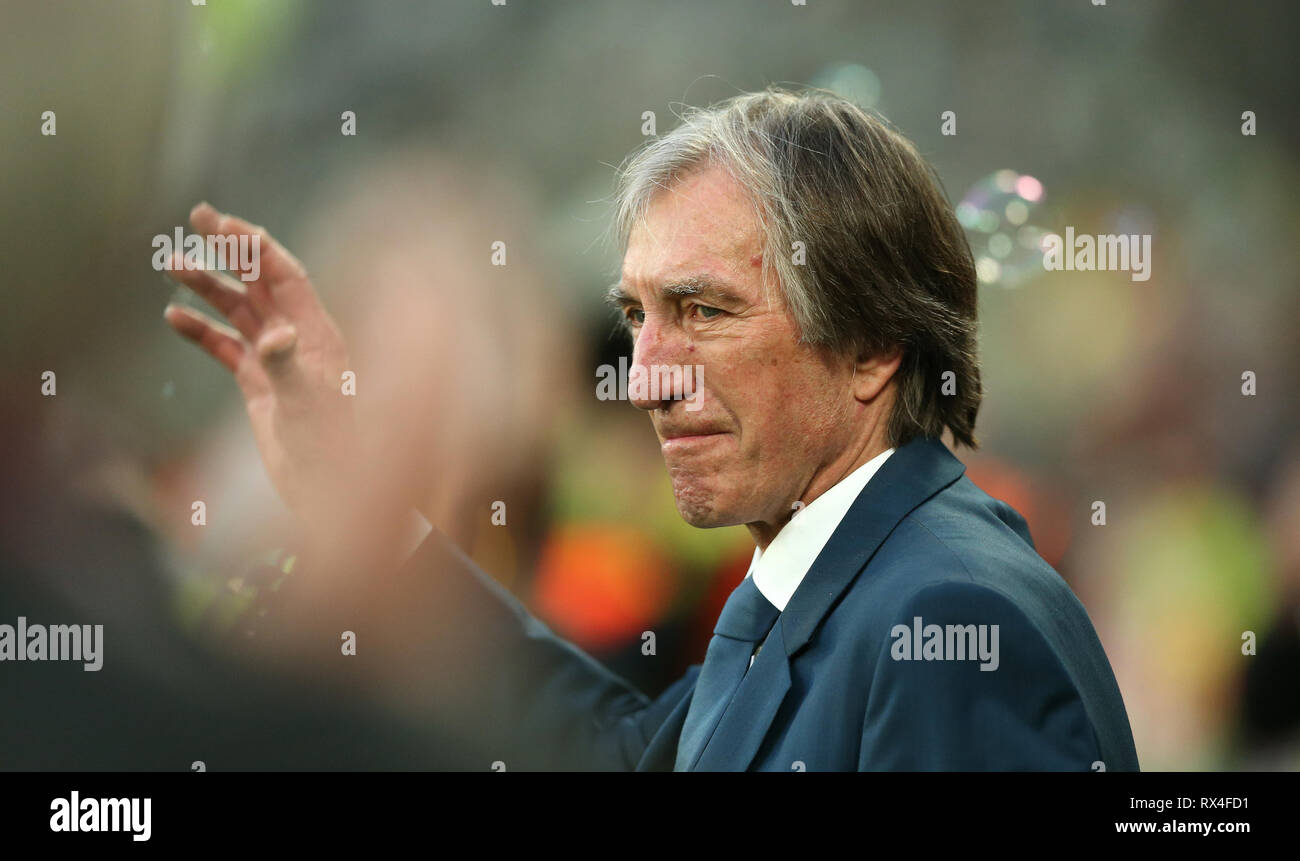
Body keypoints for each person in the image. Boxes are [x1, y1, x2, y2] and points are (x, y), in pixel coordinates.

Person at [163, 87, 1140, 771]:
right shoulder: (835, 573)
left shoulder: (946, 620)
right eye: (638, 318)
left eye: (704, 312)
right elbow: (622, 756)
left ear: (872, 346)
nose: (646, 381)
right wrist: (368, 506)